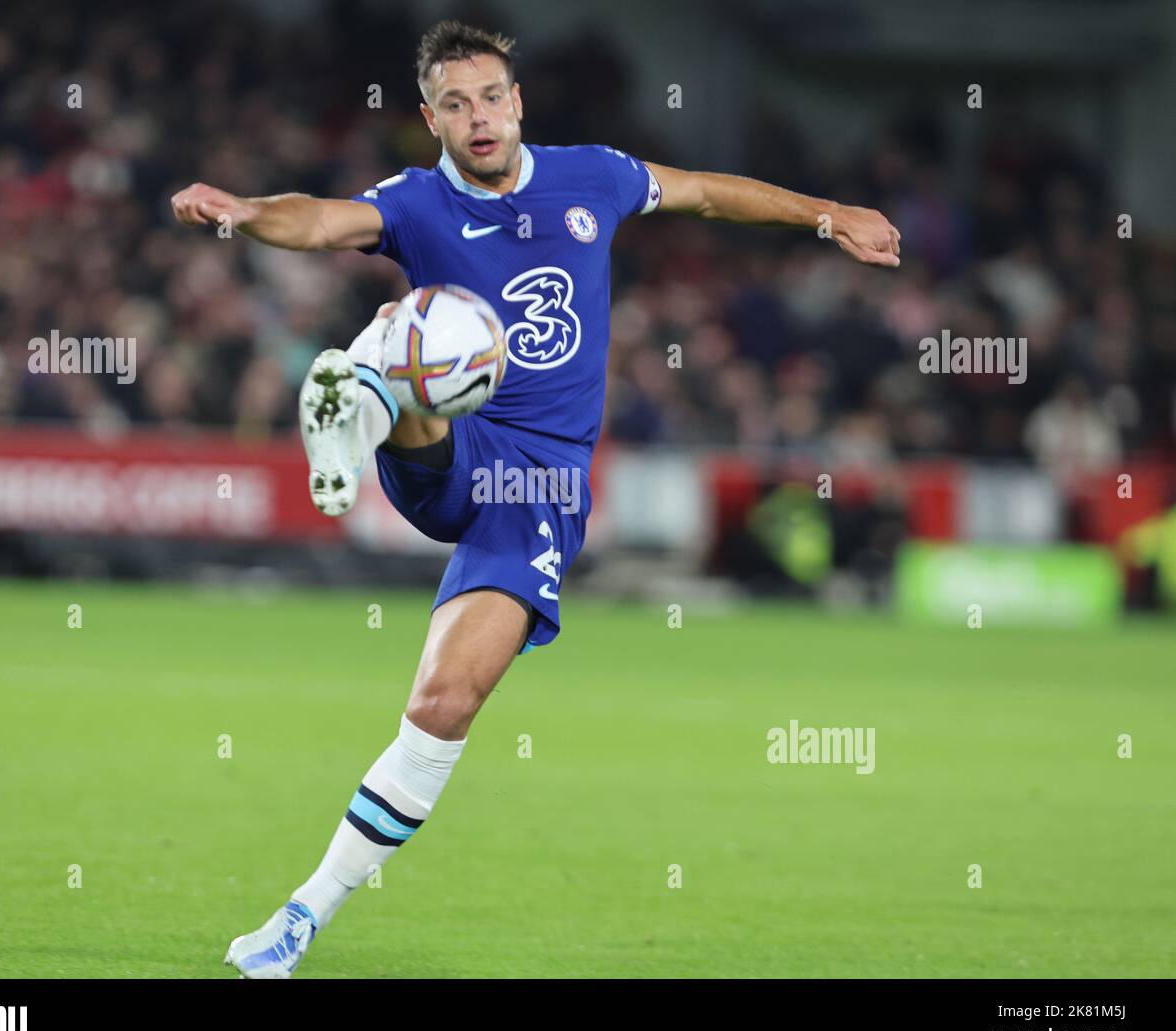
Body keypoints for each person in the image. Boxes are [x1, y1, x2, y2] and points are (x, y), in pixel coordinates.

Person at [170, 19, 901, 978]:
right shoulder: (418, 203)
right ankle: (360, 404)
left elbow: (708, 194)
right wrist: (243, 209)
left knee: (443, 703)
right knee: (413, 325)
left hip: (541, 486)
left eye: (491, 97)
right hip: (449, 444)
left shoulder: (590, 176)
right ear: (428, 118)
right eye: (455, 104)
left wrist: (825, 212)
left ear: (517, 103)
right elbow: (319, 220)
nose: (477, 117)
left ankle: (301, 918)